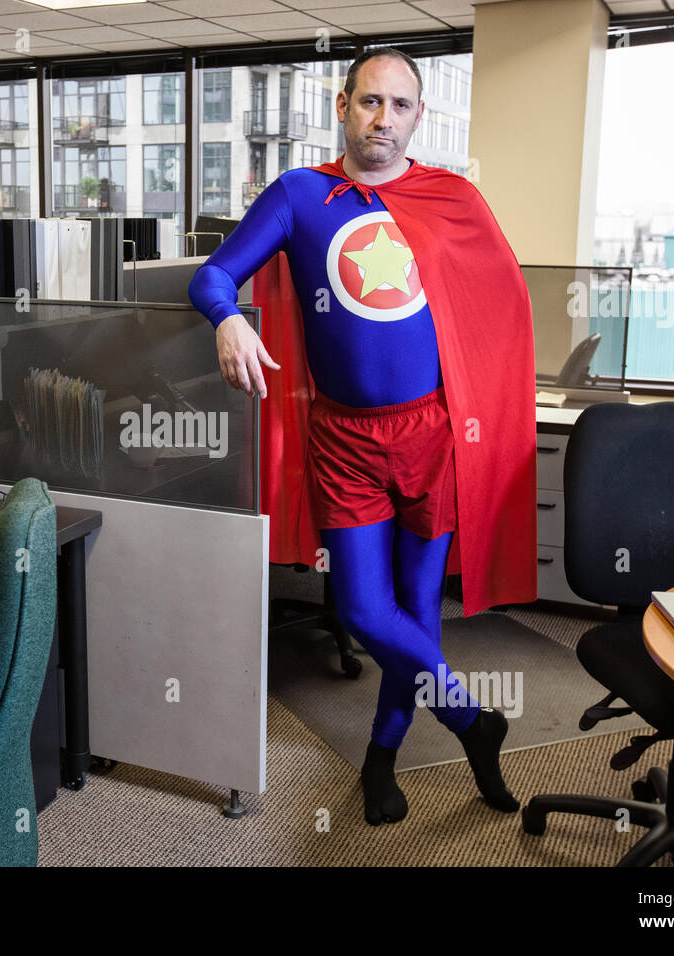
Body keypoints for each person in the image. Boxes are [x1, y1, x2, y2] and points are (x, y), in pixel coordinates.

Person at [188, 48, 536, 825]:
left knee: (416, 615)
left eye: (400, 106)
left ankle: (380, 761)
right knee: (363, 611)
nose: (384, 119)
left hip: (432, 433)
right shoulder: (301, 195)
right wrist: (229, 321)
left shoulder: (451, 199)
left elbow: (500, 303)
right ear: (342, 104)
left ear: (419, 116)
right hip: (342, 437)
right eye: (370, 102)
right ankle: (476, 723)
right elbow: (212, 275)